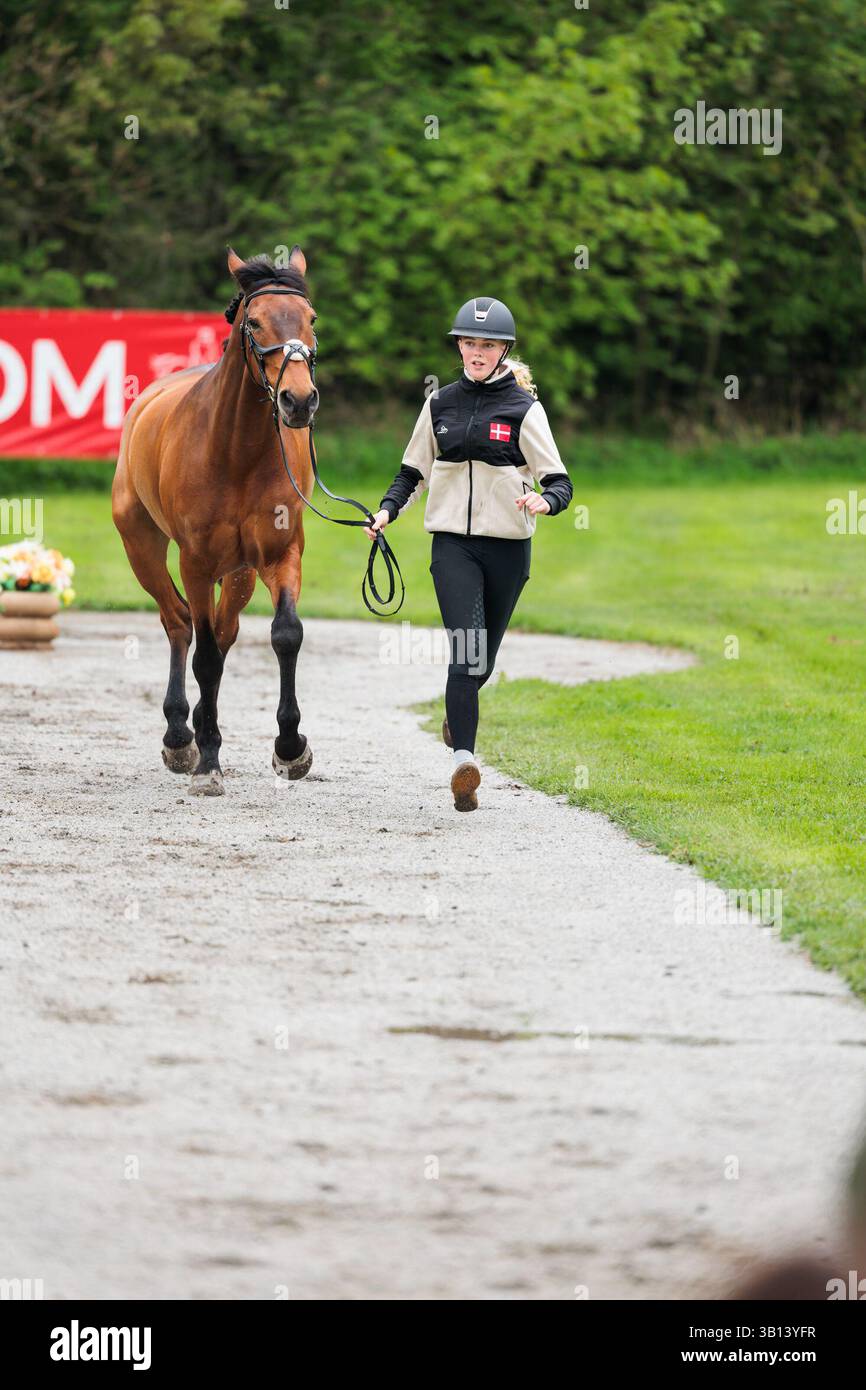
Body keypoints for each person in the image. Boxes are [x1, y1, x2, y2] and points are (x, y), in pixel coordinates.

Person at [364, 297, 573, 812]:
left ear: (503, 350)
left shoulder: (525, 410)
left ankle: (458, 714)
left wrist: (542, 502)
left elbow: (561, 482)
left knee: (482, 663)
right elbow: (411, 472)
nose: (477, 352)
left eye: (487, 345)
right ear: (459, 346)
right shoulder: (439, 404)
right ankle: (464, 761)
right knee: (467, 650)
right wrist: (388, 511)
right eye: (469, 343)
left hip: (508, 551)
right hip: (452, 546)